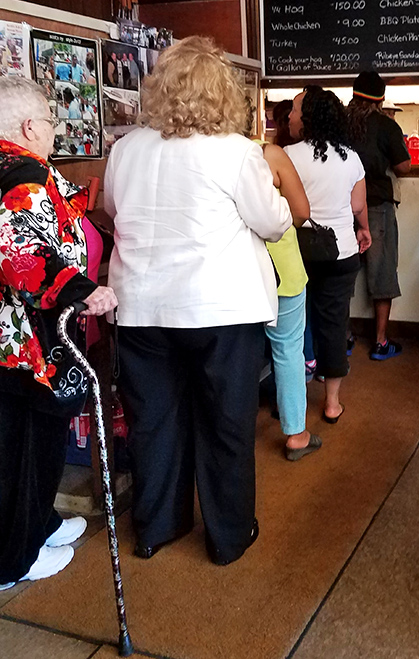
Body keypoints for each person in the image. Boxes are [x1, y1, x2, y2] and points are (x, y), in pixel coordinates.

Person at [104, 36, 292, 565]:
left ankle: (155, 527)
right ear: (223, 92)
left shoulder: (126, 148)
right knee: (226, 422)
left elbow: (115, 211)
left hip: (142, 307)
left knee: (154, 421)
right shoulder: (236, 151)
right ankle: (227, 536)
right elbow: (273, 222)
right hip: (221, 310)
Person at [0, 77, 117, 590]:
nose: (53, 132)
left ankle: (39, 524)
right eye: (50, 123)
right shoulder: (19, 177)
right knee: (22, 448)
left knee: (31, 444)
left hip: (22, 340)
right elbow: (20, 257)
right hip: (20, 346)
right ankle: (12, 560)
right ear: (30, 127)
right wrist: (82, 289)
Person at [286, 86, 370, 423]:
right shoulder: (350, 156)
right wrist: (363, 229)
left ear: (308, 118)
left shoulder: (286, 155)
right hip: (340, 252)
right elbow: (357, 205)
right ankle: (332, 402)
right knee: (334, 326)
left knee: (292, 327)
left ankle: (291, 400)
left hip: (296, 253)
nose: (290, 116)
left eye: (294, 110)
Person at [259, 142, 321, 460]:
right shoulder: (269, 154)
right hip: (282, 268)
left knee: (234, 357)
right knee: (287, 351)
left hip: (233, 274)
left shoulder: (204, 155)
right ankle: (296, 433)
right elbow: (301, 212)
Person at [346, 71, 410, 360]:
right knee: (381, 271)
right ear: (380, 99)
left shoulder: (339, 122)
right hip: (375, 206)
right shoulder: (385, 125)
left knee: (343, 273)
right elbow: (404, 166)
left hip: (341, 207)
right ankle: (380, 341)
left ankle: (343, 337)